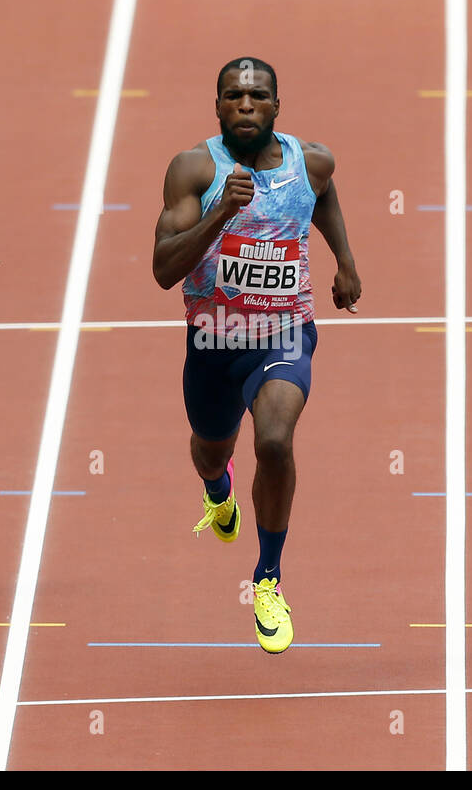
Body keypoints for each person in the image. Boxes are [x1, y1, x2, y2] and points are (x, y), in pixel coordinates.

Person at [152, 57, 361, 654]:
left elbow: (324, 198)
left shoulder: (310, 161)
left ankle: (268, 576)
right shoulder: (194, 169)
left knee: (274, 439)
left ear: (277, 106)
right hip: (214, 339)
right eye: (234, 97)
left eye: (257, 97)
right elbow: (164, 271)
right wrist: (220, 212)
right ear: (217, 107)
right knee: (210, 449)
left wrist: (345, 261)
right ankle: (219, 491)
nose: (246, 106)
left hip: (284, 333)